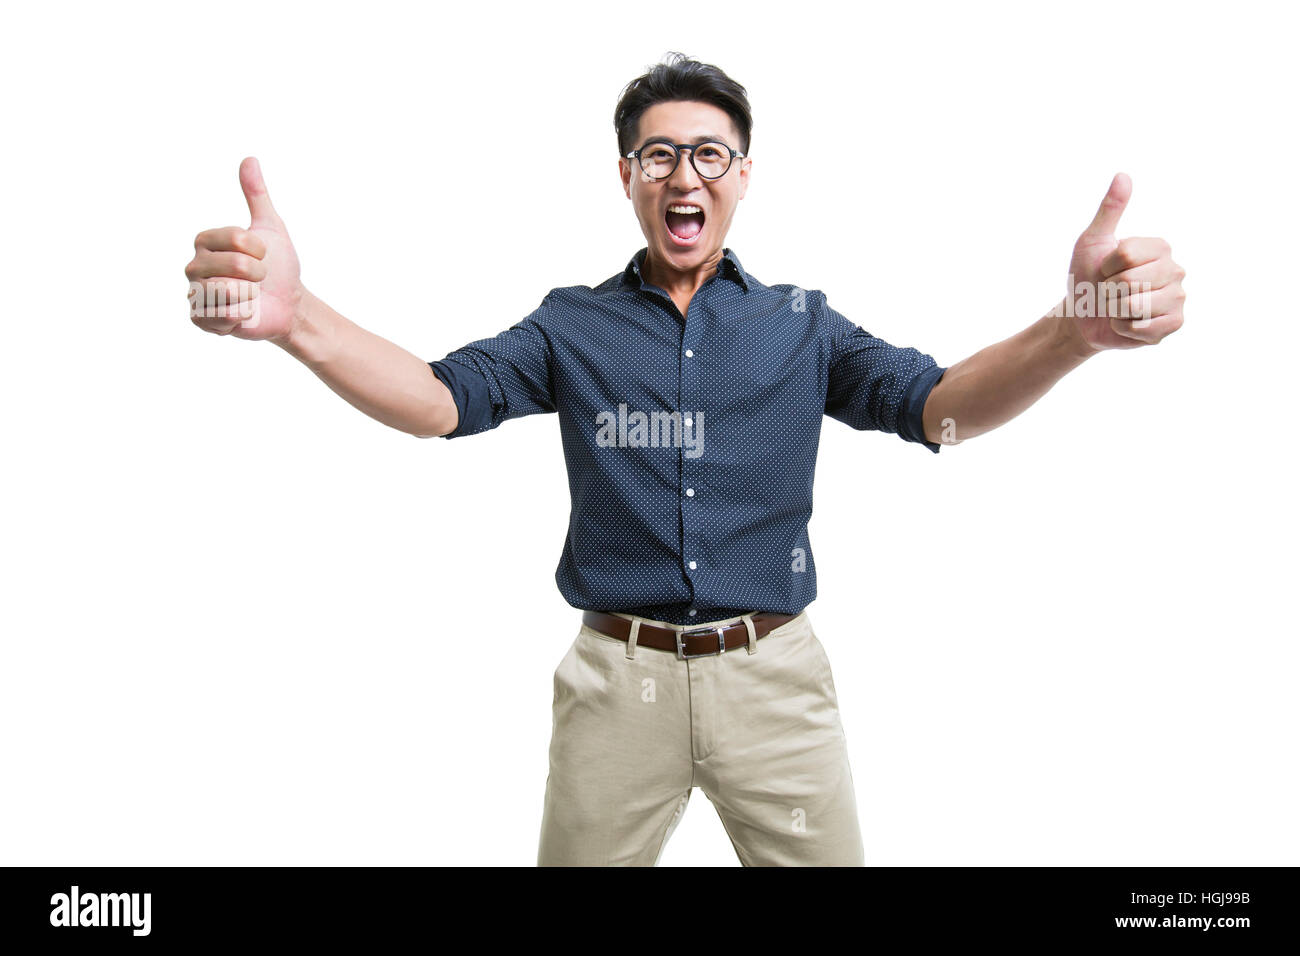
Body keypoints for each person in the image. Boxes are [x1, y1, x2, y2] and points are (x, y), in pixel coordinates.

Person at [184, 52, 1185, 866]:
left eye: (711, 154)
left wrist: (1071, 335)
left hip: (774, 682)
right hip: (616, 685)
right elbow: (441, 401)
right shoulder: (569, 325)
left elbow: (936, 410)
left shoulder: (802, 325)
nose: (684, 176)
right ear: (626, 176)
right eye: (658, 155)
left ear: (744, 174)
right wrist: (295, 320)